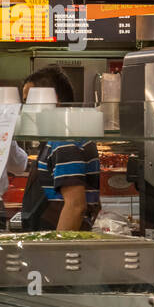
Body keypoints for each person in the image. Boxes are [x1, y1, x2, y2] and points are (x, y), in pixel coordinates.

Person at [19, 66, 100, 230]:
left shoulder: (64, 140)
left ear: (52, 99)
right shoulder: (57, 137)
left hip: (59, 249)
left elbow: (76, 206)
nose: (25, 109)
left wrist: (56, 249)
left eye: (28, 101)